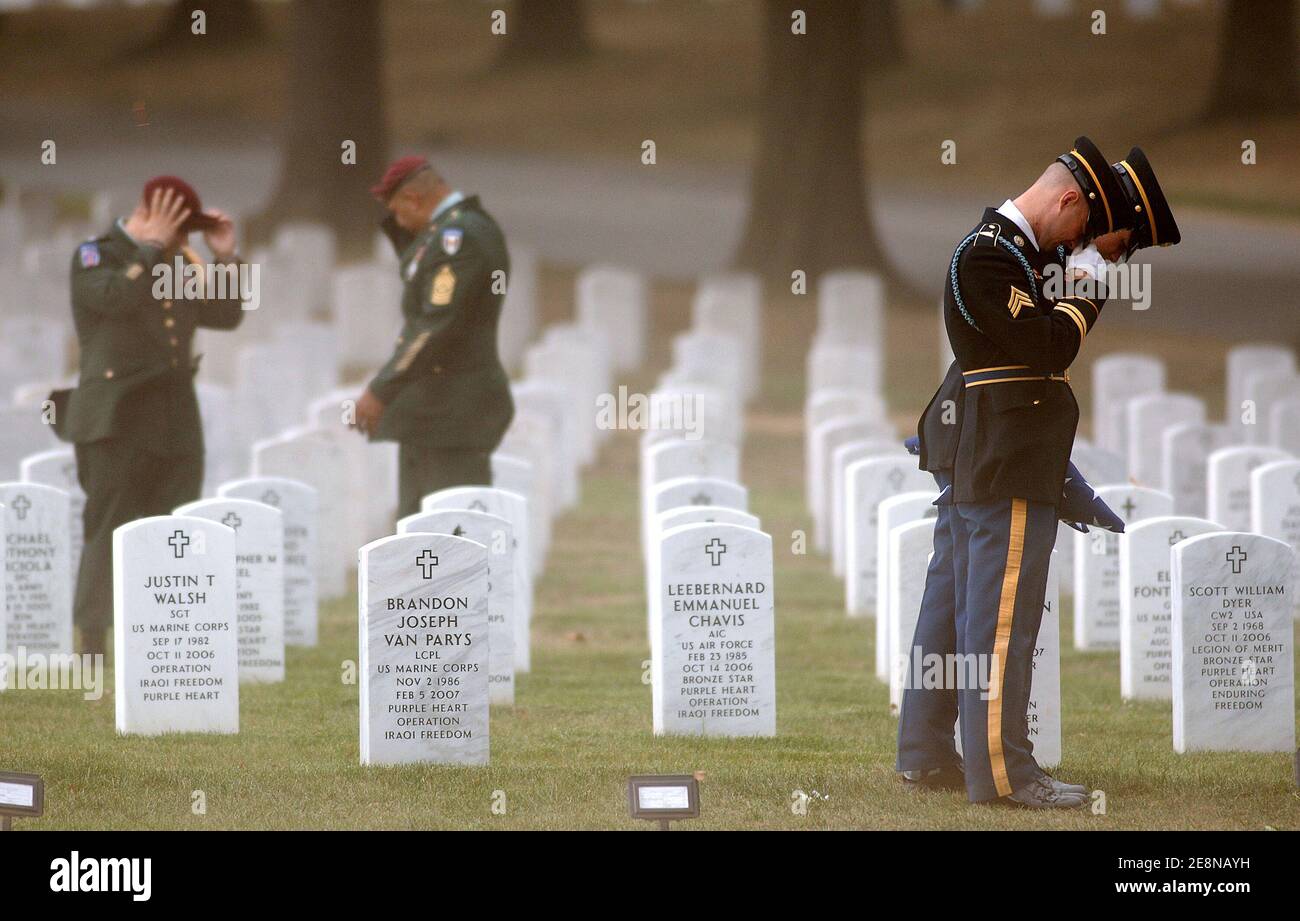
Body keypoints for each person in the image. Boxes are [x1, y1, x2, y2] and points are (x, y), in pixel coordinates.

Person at [896, 137, 1145, 808]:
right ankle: (1007, 774)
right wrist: (1090, 282)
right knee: (1000, 623)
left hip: (991, 454)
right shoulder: (987, 256)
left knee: (950, 612)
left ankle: (924, 753)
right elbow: (1051, 346)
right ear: (1068, 200)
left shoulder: (1008, 256)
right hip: (1004, 461)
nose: (1077, 247)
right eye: (1082, 230)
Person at [55, 177, 245, 656]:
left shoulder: (178, 263)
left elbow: (224, 315)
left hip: (174, 412)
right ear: (153, 213)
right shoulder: (96, 255)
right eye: (183, 227)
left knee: (176, 522)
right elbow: (115, 298)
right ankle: (93, 641)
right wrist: (152, 247)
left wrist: (224, 257)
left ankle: (165, 640)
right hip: (116, 413)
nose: (186, 239)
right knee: (110, 522)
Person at [353, 157, 515, 519]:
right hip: (434, 410)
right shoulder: (449, 231)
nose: (398, 222)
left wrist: (381, 389)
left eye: (397, 211)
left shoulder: (458, 238)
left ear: (413, 198)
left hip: (453, 410)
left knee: (449, 534)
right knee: (416, 531)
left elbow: (437, 324)